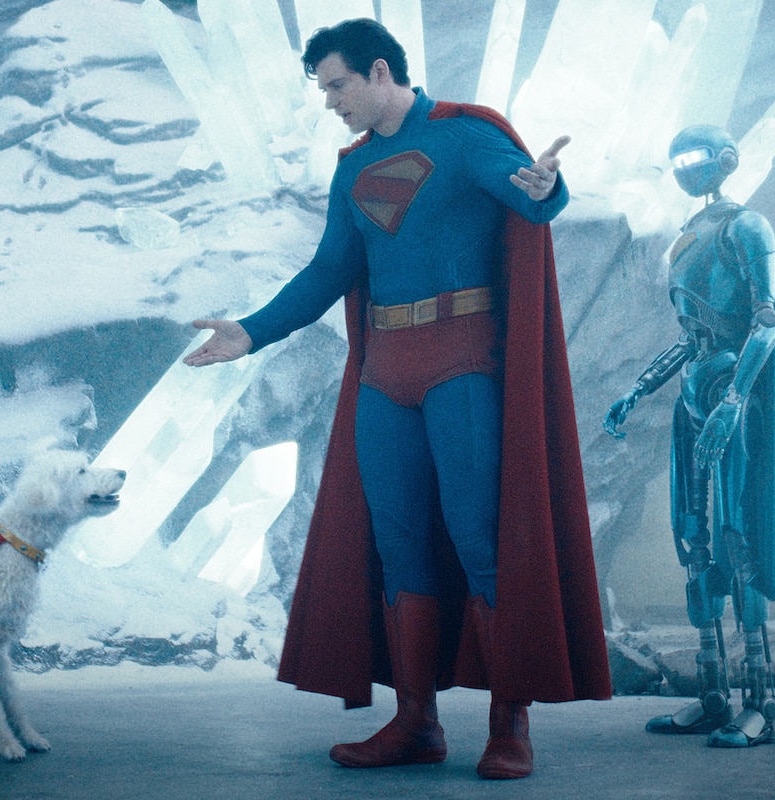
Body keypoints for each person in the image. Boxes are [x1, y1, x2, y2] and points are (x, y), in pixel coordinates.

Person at [182, 18, 613, 781]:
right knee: (398, 544)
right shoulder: (353, 169)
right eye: (323, 90)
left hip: (462, 362)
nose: (330, 102)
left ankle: (509, 723)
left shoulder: (465, 135)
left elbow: (531, 200)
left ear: (380, 71)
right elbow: (328, 272)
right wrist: (249, 332)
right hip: (386, 373)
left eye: (337, 85)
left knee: (479, 539)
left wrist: (547, 188)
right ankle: (417, 721)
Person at [602, 124, 775, 749]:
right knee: (692, 537)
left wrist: (735, 399)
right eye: (678, 158)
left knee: (738, 536)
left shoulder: (748, 227)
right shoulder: (688, 238)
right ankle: (714, 693)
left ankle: (760, 702)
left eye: (695, 156)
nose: (685, 167)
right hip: (696, 394)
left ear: (725, 160)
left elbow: (765, 322)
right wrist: (638, 388)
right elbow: (688, 338)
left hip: (730, 395)